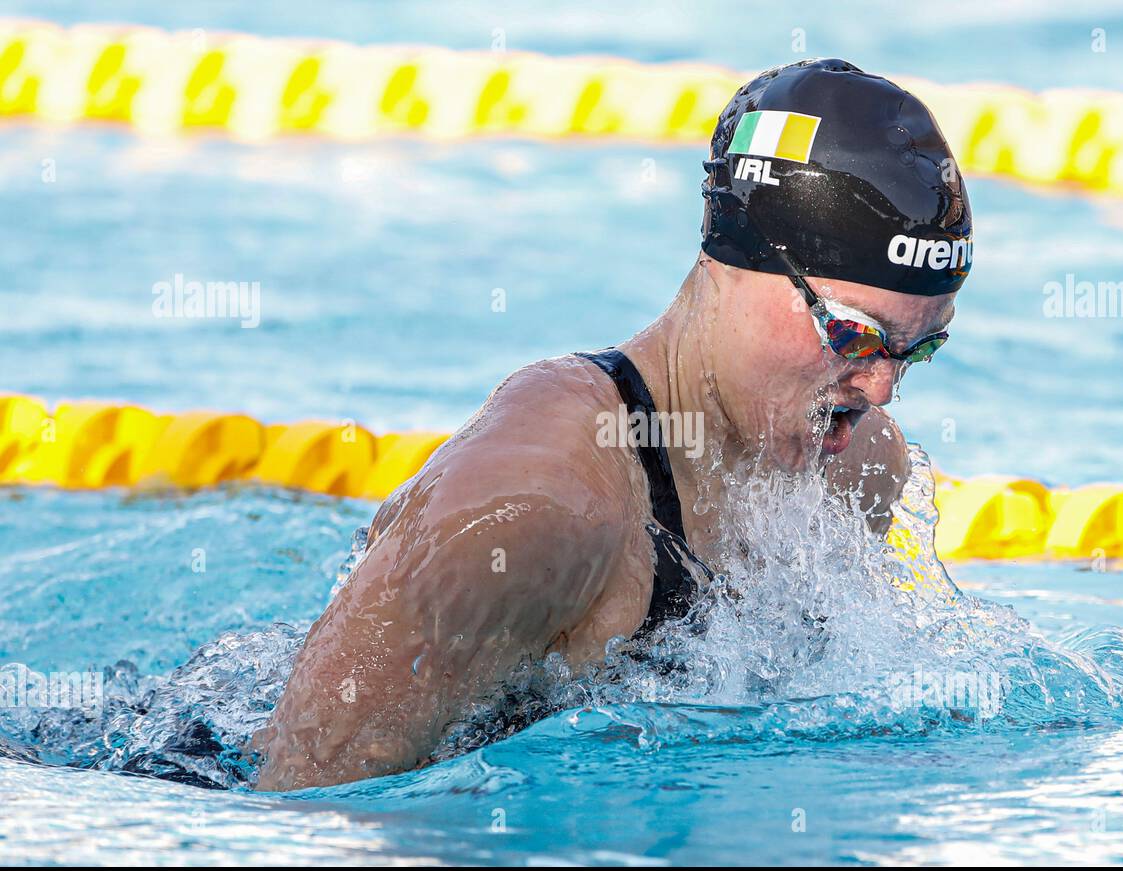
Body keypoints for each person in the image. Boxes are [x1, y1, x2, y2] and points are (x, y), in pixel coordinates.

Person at [254, 58, 972, 791]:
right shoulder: (539, 505)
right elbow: (304, 802)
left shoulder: (859, 471)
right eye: (852, 334)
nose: (882, 387)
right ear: (731, 263)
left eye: (919, 347)